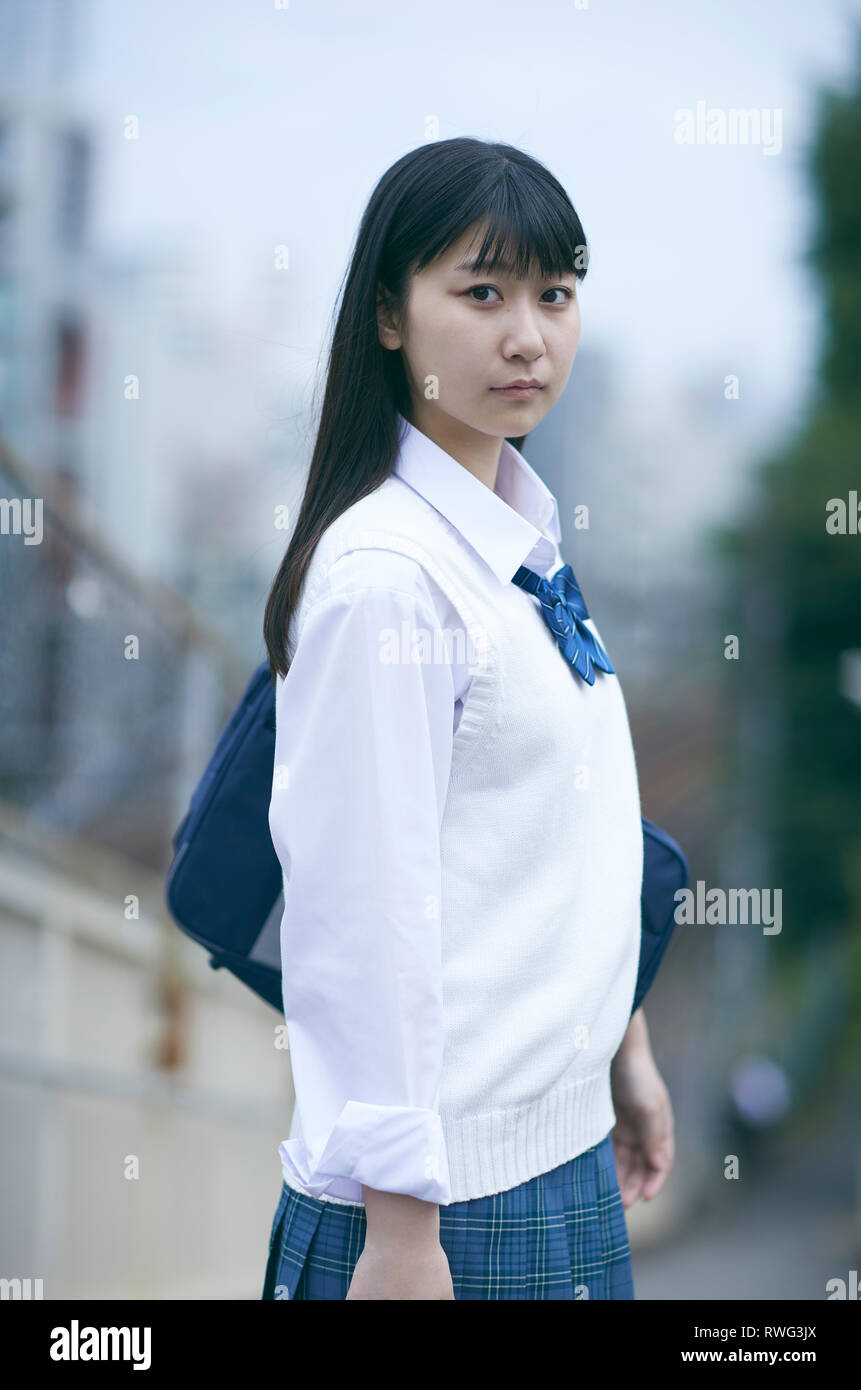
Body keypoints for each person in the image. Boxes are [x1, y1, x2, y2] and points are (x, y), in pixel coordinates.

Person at [260, 136, 674, 1301]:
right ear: (389, 315)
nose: (526, 335)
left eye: (553, 293)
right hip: (447, 1211)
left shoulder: (513, 542)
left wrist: (623, 1053)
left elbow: (556, 846)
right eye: (480, 292)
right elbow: (364, 913)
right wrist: (399, 1235)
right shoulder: (387, 577)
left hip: (556, 1160)